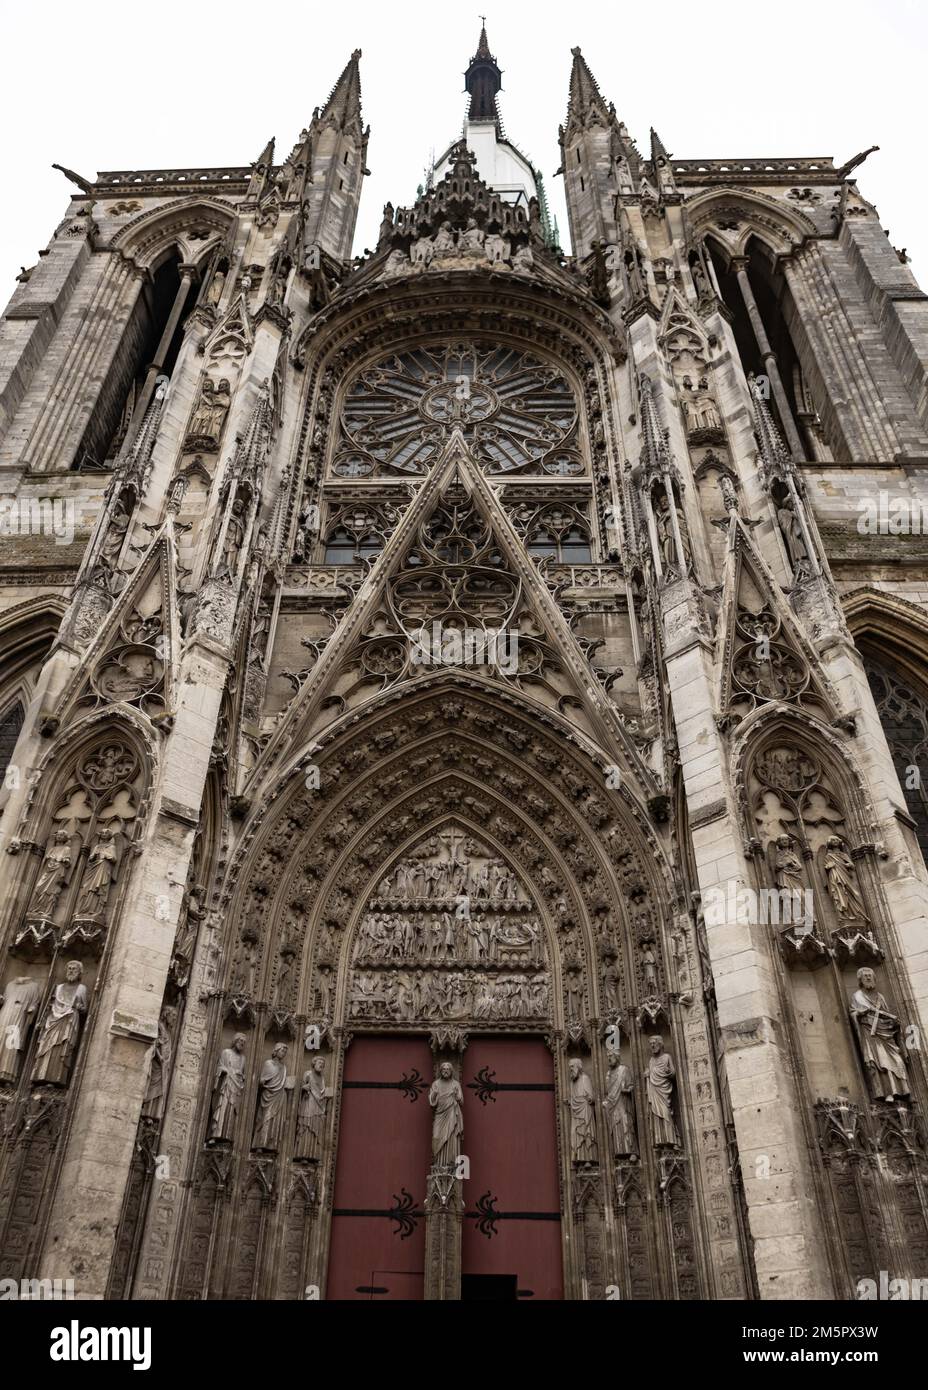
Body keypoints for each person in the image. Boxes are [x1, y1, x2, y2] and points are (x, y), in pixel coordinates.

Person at [429, 1061, 463, 1169]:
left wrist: (457, 1095)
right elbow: (431, 1102)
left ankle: (450, 1164)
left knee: (451, 1137)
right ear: (440, 1071)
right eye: (444, 1069)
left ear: (451, 1071)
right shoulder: (436, 1084)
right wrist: (434, 1095)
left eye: (448, 1069)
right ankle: (438, 1164)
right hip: (440, 1114)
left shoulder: (456, 1084)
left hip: (452, 1113)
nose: (446, 1071)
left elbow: (461, 1101)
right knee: (436, 1137)